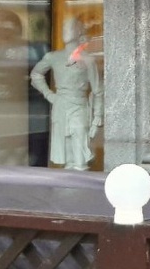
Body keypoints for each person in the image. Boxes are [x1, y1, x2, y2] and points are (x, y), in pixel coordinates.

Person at [28, 18, 103, 169]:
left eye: (69, 28)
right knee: (66, 153)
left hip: (79, 106)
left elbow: (98, 90)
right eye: (63, 28)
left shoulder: (87, 59)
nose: (65, 31)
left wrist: (97, 117)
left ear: (78, 31)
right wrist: (49, 94)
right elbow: (36, 75)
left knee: (80, 152)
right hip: (61, 106)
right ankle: (69, 181)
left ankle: (81, 178)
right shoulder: (53, 57)